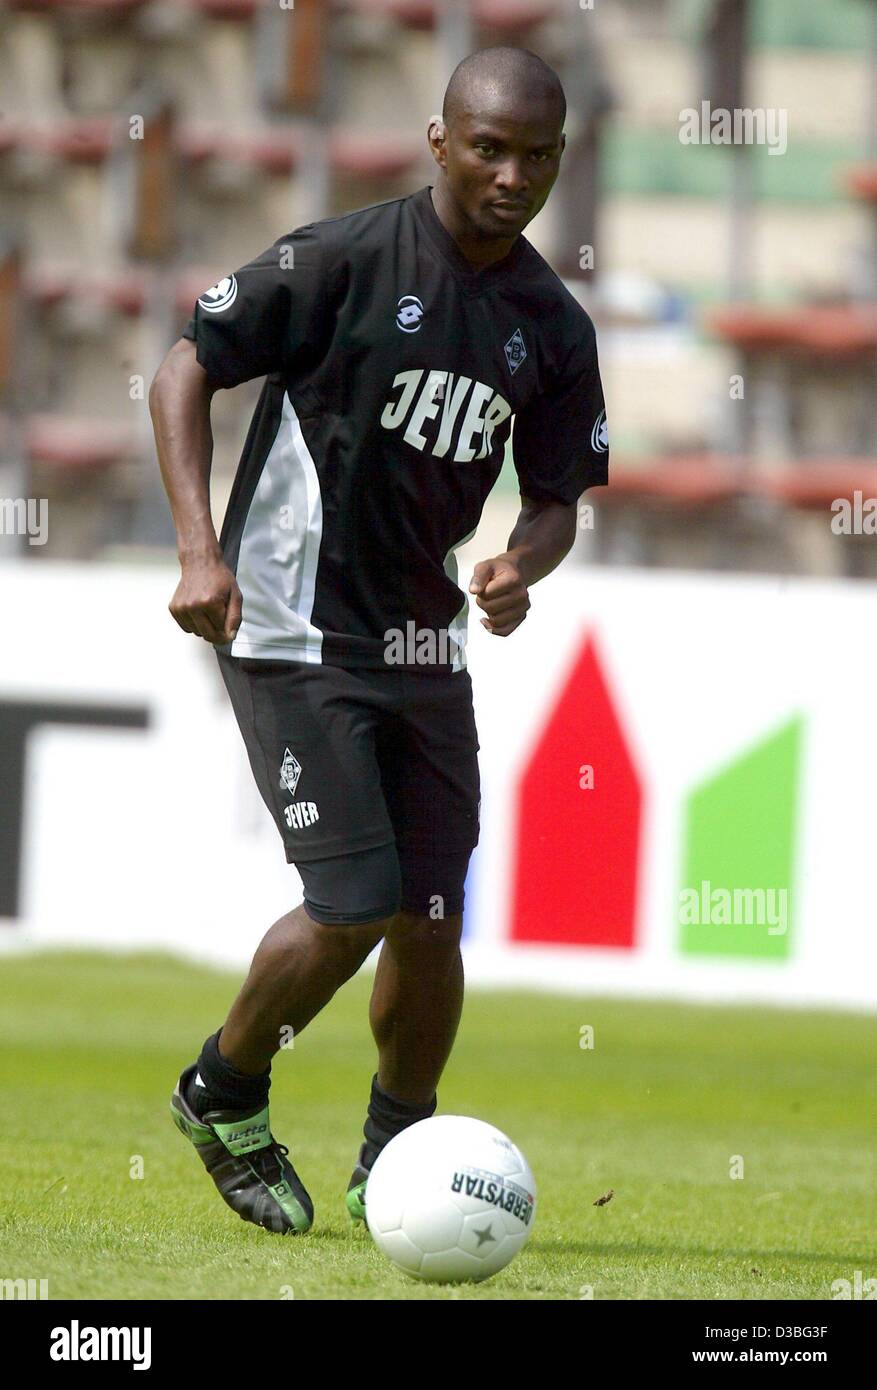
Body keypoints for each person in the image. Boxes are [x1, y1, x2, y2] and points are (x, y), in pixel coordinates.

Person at [149, 45, 609, 1236]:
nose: (514, 175)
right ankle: (223, 1091)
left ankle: (397, 1146)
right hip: (290, 621)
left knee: (432, 912)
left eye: (539, 154)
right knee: (351, 904)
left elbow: (558, 492)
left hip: (424, 648)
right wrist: (199, 550)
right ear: (439, 139)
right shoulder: (341, 259)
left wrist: (521, 559)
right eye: (491, 148)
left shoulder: (550, 324)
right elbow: (183, 368)